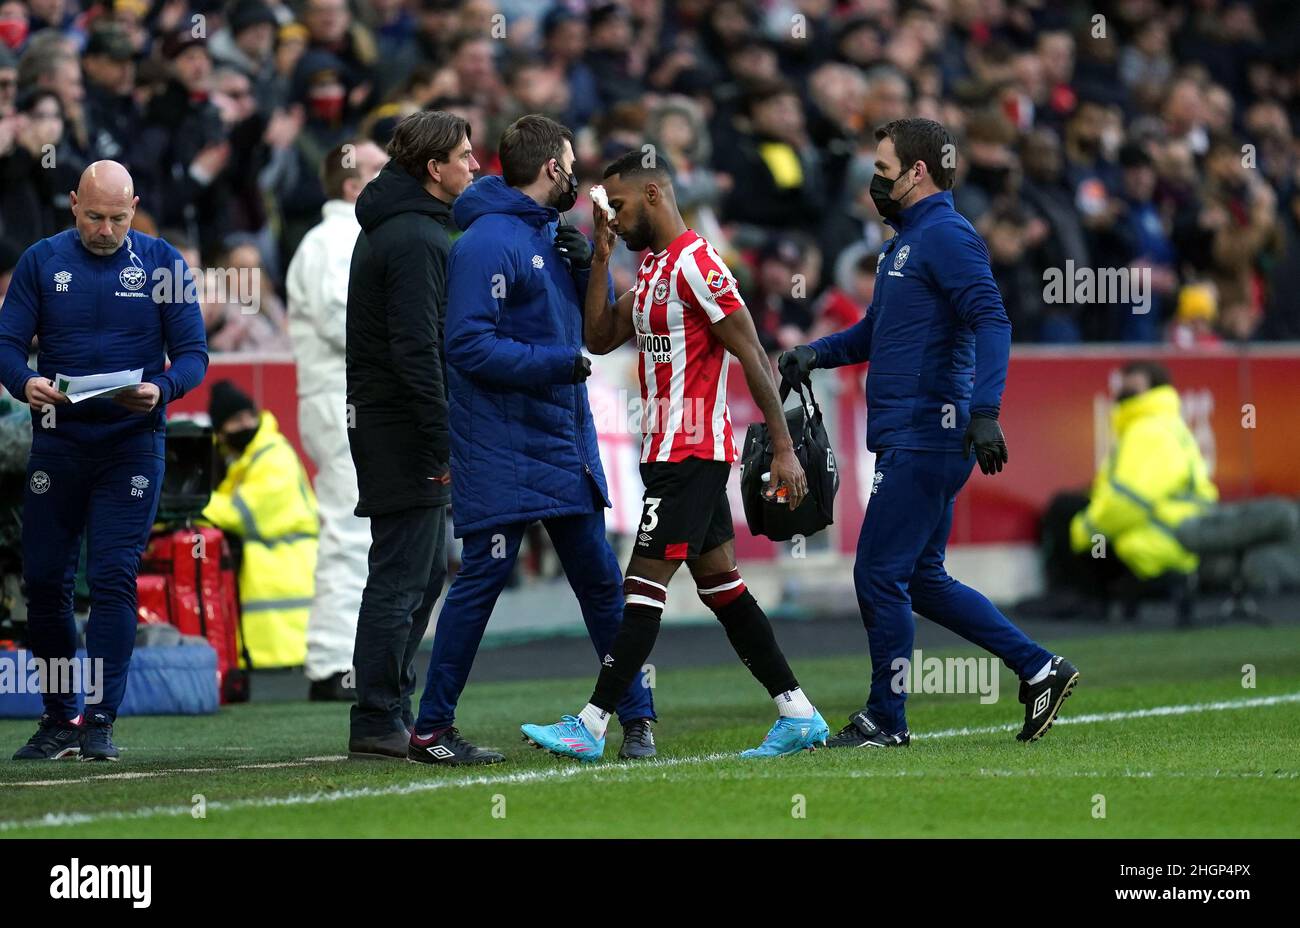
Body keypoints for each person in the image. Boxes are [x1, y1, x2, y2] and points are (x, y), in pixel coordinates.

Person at [521, 149, 829, 763]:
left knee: (639, 588)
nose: (614, 216)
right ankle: (797, 711)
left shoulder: (700, 264)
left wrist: (786, 449)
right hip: (663, 451)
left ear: (655, 196)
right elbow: (599, 336)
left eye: (621, 205)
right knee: (723, 588)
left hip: (692, 451)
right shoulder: (654, 268)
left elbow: (751, 352)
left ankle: (592, 722)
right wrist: (602, 257)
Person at [780, 118, 1078, 748]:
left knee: (877, 575)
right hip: (914, 434)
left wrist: (984, 411)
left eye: (884, 170)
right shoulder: (907, 241)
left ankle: (886, 718)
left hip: (927, 434)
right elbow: (873, 333)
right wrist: (814, 353)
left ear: (918, 172)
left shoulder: (946, 235)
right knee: (921, 578)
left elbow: (993, 320)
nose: (874, 182)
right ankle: (1040, 668)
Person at [408, 116, 656, 766]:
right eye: (571, 163)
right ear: (553, 168)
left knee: (601, 581)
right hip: (503, 442)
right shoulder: (487, 243)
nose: (577, 176)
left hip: (557, 437)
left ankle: (636, 718)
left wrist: (601, 262)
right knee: (483, 580)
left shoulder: (552, 236)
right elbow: (466, 343)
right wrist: (555, 363)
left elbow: (598, 328)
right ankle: (431, 729)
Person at [0, 161, 208, 761]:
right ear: (73, 204)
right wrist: (23, 382)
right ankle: (60, 716)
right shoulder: (42, 261)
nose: (106, 229)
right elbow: (8, 345)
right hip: (58, 443)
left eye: (119, 217)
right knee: (43, 583)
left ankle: (100, 720)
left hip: (131, 444)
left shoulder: (163, 262)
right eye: (94, 216)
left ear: (134, 207)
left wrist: (162, 391)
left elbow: (193, 354)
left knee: (114, 578)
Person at [345, 110, 474, 760]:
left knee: (421, 574)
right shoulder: (417, 239)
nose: (474, 166)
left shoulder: (404, 229)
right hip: (402, 429)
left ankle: (388, 707)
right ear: (434, 168)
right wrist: (443, 440)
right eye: (465, 155)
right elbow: (417, 349)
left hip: (390, 422)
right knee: (402, 574)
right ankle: (375, 717)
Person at [285, 137, 387, 701]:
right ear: (352, 186)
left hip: (342, 397)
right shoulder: (332, 240)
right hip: (339, 397)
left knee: (358, 528)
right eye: (378, 170)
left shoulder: (344, 237)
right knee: (349, 528)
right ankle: (330, 662)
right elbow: (337, 320)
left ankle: (344, 657)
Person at [201, 380, 319, 669]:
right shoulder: (244, 459)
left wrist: (196, 501)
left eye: (248, 417)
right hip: (277, 576)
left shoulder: (273, 456)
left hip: (287, 574)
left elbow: (242, 515)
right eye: (235, 420)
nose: (246, 424)